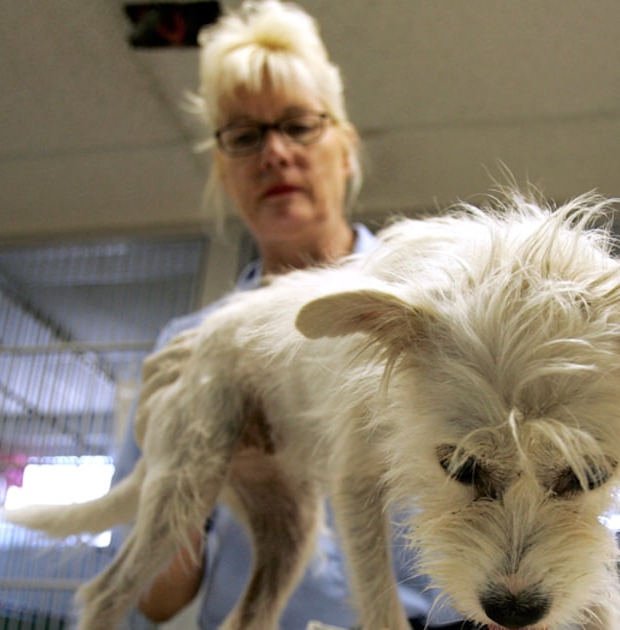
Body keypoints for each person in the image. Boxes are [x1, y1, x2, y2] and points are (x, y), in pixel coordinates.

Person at [115, 2, 470, 628]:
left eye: (298, 125)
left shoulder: (442, 304)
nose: (274, 153)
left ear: (347, 148)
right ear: (224, 173)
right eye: (244, 136)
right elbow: (157, 598)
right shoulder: (189, 346)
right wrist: (176, 480)